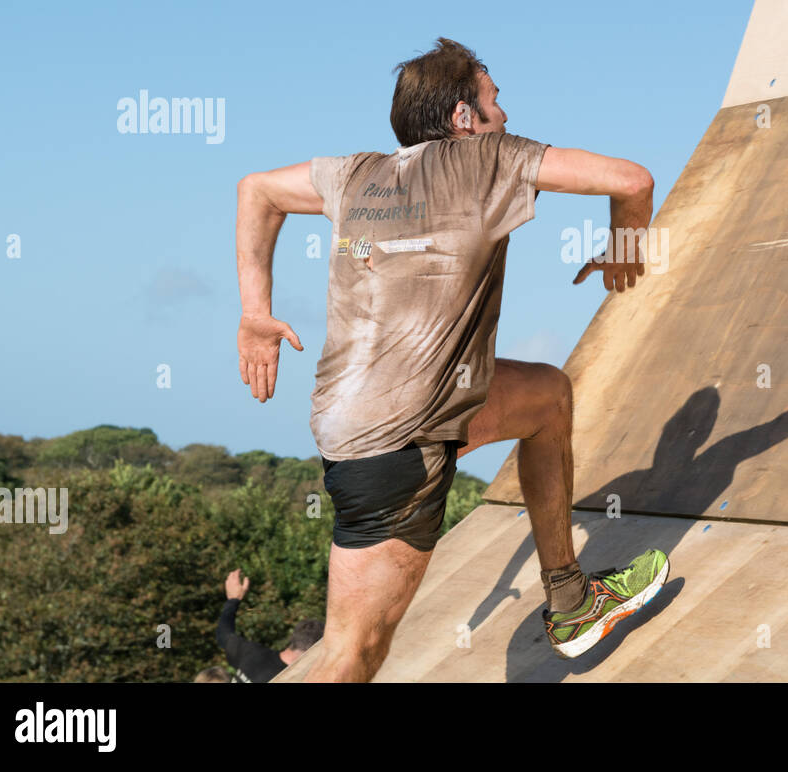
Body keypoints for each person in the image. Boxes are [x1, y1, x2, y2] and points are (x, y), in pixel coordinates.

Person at [234, 38, 669, 681]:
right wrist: (627, 245)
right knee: (353, 653)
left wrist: (253, 313)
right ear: (465, 119)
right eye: (495, 100)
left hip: (356, 422)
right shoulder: (491, 158)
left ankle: (569, 595)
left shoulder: (352, 174)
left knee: (548, 396)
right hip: (396, 454)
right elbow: (633, 179)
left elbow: (257, 189)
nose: (505, 112)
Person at [215, 568, 325, 682]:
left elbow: (223, 634)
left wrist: (233, 600)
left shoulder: (252, 655)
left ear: (293, 637)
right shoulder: (293, 679)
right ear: (316, 652)